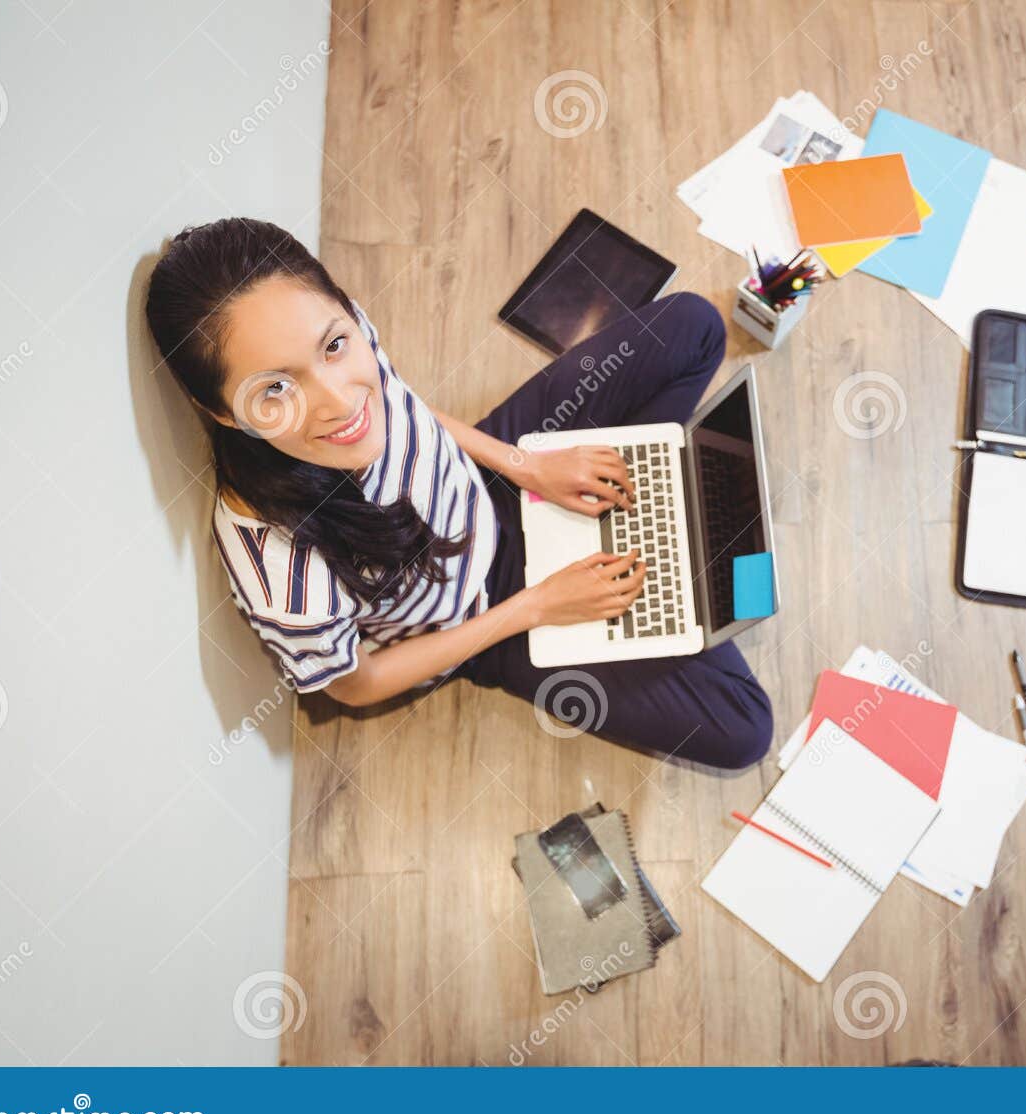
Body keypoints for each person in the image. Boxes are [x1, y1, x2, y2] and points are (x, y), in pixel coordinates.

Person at [144, 217, 772, 772]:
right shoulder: (280, 569)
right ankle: (651, 560)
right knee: (745, 726)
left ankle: (650, 527)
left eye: (335, 346)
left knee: (691, 324)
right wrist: (536, 607)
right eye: (275, 389)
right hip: (486, 615)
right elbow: (354, 685)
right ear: (221, 411)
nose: (341, 404)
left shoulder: (338, 337)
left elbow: (400, 407)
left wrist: (526, 465)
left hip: (490, 483)